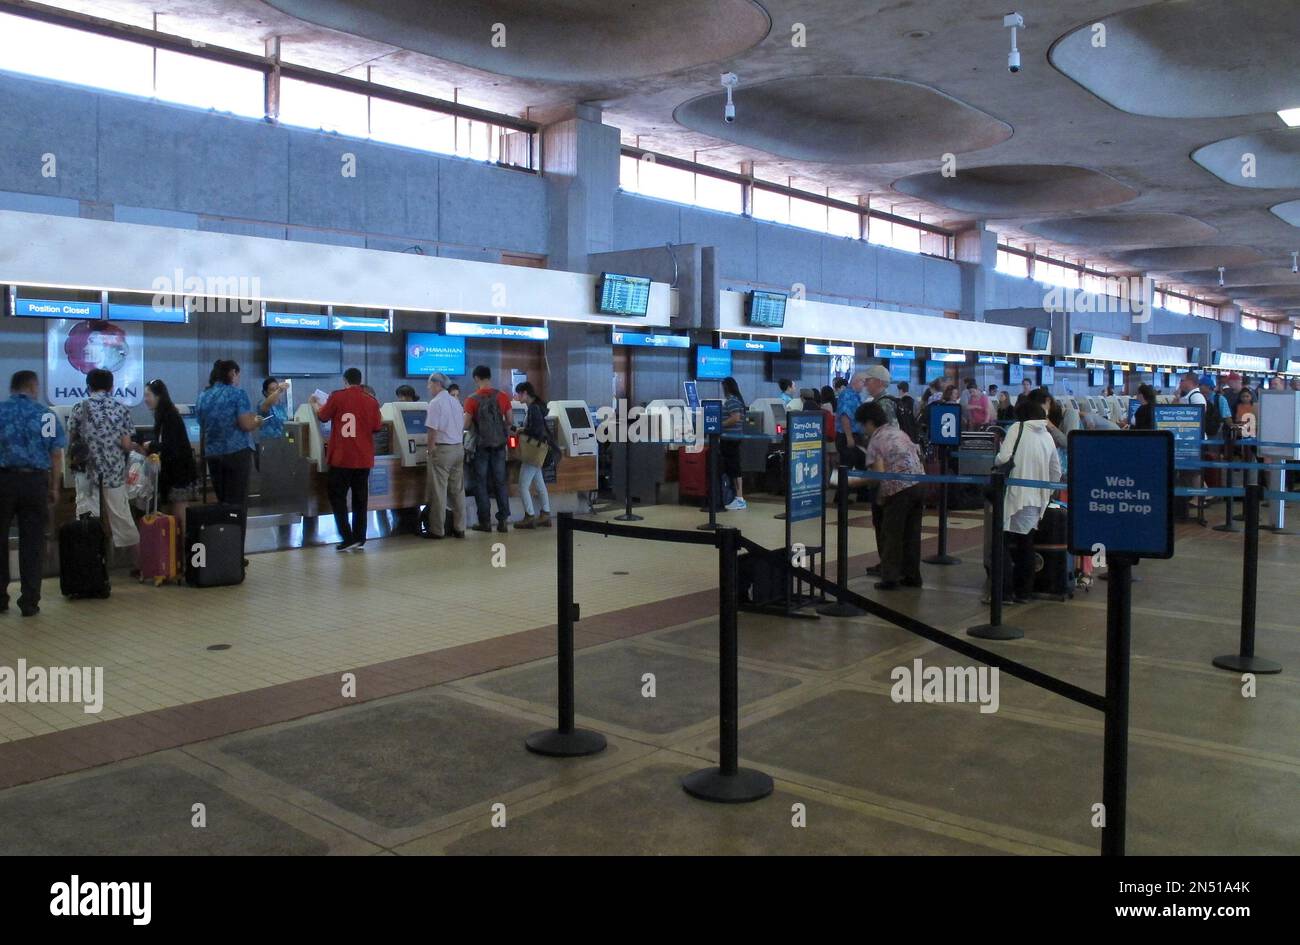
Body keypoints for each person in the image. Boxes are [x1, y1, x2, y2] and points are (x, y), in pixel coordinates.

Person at [0, 371, 65, 616]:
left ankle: (0, 597)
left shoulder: (1, 411)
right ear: (32, 386)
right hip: (34, 483)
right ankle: (29, 601)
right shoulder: (44, 415)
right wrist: (53, 487)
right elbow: (55, 453)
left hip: (3, 480)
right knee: (33, 542)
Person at [68, 368, 140, 554]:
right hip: (114, 473)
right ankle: (141, 566)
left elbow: (72, 441)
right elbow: (125, 444)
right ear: (111, 386)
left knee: (88, 520)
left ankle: (90, 567)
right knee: (122, 518)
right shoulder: (121, 409)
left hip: (87, 474)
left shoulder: (79, 407)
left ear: (88, 386)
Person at [995, 399, 1061, 603]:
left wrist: (997, 457)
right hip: (1037, 498)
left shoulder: (1017, 428)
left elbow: (1004, 458)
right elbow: (1056, 471)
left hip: (1015, 495)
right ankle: (1024, 592)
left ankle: (1004, 593)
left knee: (1002, 543)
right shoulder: (1047, 436)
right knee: (1026, 543)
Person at [311, 368, 383, 552]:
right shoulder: (371, 400)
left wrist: (314, 404)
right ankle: (360, 537)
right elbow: (377, 427)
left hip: (341, 457)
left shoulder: (337, 396)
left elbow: (323, 416)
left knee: (337, 497)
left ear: (345, 380)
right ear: (360, 381)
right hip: (363, 458)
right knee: (360, 498)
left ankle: (346, 536)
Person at [858, 401, 924, 591]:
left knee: (891, 533)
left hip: (898, 489)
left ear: (870, 422)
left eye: (863, 425)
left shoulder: (876, 440)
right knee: (911, 533)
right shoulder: (898, 432)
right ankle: (912, 576)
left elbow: (877, 474)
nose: (864, 429)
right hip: (919, 484)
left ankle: (890, 578)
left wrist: (848, 482)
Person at [196, 359, 259, 543]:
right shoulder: (238, 394)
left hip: (213, 454)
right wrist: (257, 421)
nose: (238, 378)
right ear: (232, 373)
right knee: (238, 504)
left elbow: (201, 423)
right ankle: (236, 552)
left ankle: (223, 548)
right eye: (238, 374)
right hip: (237, 453)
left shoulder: (204, 396)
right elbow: (245, 424)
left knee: (223, 502)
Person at [464, 365, 513, 532]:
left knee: (481, 483)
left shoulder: (472, 399)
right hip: (499, 445)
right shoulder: (503, 396)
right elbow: (510, 420)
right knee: (500, 482)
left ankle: (484, 522)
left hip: (481, 447)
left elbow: (466, 424)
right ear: (489, 377)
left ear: (476, 378)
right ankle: (503, 521)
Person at [142, 378, 198, 517]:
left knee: (179, 508)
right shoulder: (165, 415)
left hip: (179, 472)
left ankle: (182, 538)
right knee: (170, 511)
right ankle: (175, 538)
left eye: (148, 395)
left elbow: (170, 445)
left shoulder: (169, 416)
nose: (145, 399)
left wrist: (151, 445)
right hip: (173, 471)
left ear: (158, 396)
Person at [422, 372, 465, 540]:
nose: (428, 387)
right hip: (458, 449)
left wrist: (430, 450)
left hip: (443, 450)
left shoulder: (435, 403)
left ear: (437, 384)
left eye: (429, 384)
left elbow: (432, 430)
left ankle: (437, 530)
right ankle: (459, 528)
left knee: (439, 491)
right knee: (457, 491)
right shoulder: (456, 402)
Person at [512, 381, 553, 528]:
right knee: (540, 483)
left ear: (525, 393)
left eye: (518, 393)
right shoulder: (538, 407)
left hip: (532, 451)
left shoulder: (533, 408)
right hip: (539, 450)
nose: (517, 396)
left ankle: (529, 516)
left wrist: (521, 430)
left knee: (523, 485)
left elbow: (535, 430)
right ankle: (545, 514)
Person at [720, 376, 748, 511]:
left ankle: (739, 498)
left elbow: (735, 418)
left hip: (730, 439)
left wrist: (719, 425)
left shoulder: (731, 401)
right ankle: (737, 497)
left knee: (734, 468)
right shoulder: (738, 400)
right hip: (735, 438)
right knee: (734, 467)